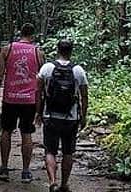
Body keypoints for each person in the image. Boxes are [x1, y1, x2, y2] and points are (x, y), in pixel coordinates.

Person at [0, 23, 45, 183]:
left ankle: (4, 168)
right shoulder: (38, 52)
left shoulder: (7, 49)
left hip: (10, 98)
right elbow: (42, 80)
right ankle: (26, 171)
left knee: (6, 131)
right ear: (33, 35)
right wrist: (41, 105)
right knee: (26, 133)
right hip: (29, 99)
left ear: (20, 33)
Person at [35, 39, 89, 192]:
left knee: (50, 151)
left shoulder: (47, 68)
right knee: (68, 152)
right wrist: (83, 116)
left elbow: (38, 92)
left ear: (57, 50)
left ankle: (52, 182)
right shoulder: (78, 70)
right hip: (71, 118)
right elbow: (84, 96)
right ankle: (64, 184)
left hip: (50, 116)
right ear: (71, 51)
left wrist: (38, 112)